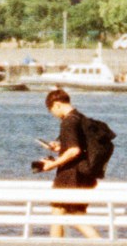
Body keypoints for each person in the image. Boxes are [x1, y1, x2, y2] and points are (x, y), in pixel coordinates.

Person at [31, 87, 115, 235]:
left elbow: (74, 151)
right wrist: (60, 146)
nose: (53, 114)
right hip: (84, 175)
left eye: (51, 109)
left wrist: (52, 164)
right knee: (73, 214)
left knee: (60, 214)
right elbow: (78, 147)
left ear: (57, 104)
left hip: (70, 175)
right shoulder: (80, 118)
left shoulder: (68, 122)